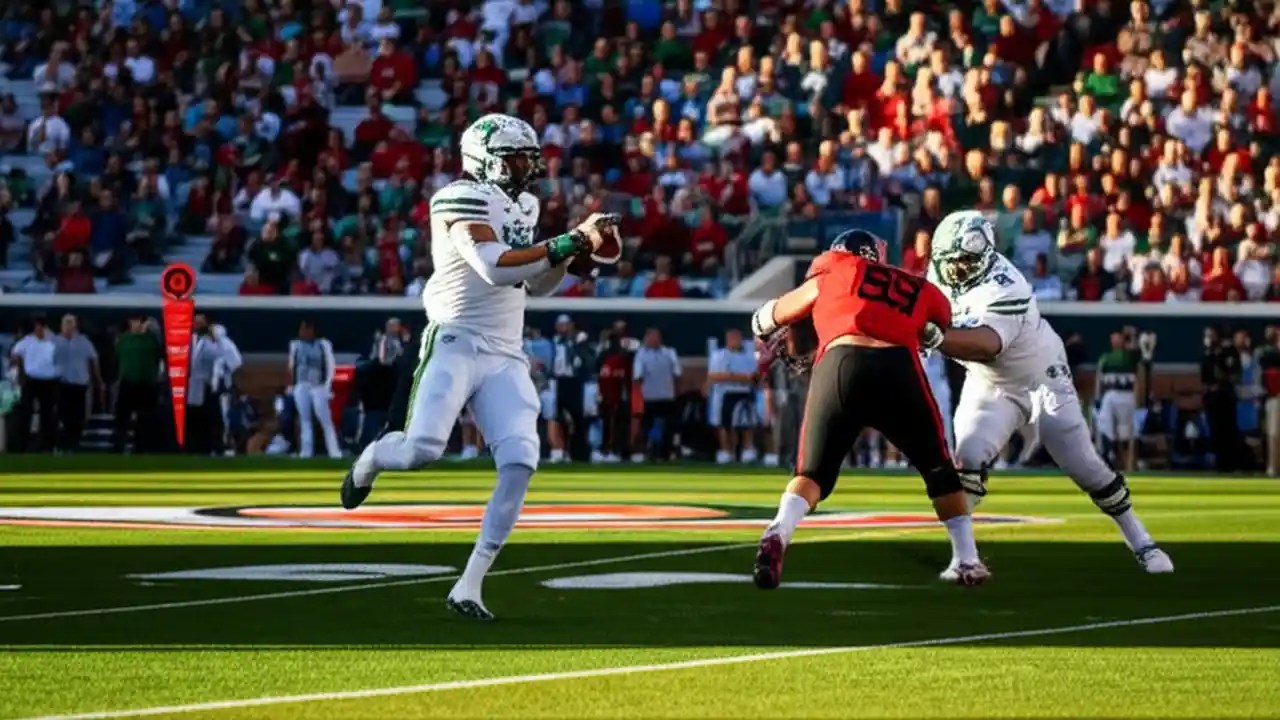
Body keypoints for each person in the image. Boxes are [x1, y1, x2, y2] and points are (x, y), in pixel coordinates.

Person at [341, 113, 618, 620]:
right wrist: (570, 241)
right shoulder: (455, 197)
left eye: (529, 157)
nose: (526, 167)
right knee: (421, 450)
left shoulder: (526, 204)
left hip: (505, 350)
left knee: (520, 460)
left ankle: (469, 584)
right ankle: (374, 457)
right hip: (454, 338)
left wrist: (573, 259)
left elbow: (534, 285)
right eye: (516, 157)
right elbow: (493, 267)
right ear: (484, 159)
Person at [925, 211, 1172, 575]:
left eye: (963, 262)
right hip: (990, 382)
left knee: (1085, 467)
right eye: (950, 261)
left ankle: (1141, 540)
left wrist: (936, 338)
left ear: (984, 257)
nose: (954, 270)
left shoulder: (1005, 285)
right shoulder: (938, 273)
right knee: (968, 457)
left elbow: (987, 343)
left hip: (1042, 381)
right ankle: (964, 558)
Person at [748, 229, 987, 588]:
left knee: (812, 473)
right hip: (897, 366)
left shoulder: (830, 272)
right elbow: (941, 320)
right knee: (938, 467)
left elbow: (765, 319)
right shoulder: (915, 284)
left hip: (840, 362)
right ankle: (966, 559)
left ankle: (778, 532)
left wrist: (775, 323)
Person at [288, 319, 342, 459]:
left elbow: (330, 366)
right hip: (302, 384)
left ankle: (334, 452)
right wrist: (293, 385)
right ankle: (306, 452)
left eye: (306, 329)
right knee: (304, 419)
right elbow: (292, 365)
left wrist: (327, 386)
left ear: (312, 330)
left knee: (325, 420)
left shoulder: (323, 344)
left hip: (318, 385)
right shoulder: (295, 345)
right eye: (301, 329)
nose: (303, 332)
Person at [707, 328, 759, 464]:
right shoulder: (719, 355)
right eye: (732, 337)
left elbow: (754, 376)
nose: (735, 340)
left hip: (745, 393)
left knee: (747, 424)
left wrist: (738, 377)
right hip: (725, 395)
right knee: (725, 425)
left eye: (737, 337)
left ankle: (747, 450)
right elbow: (714, 375)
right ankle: (726, 451)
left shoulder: (749, 356)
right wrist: (741, 377)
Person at [9, 315, 60, 452]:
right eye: (36, 327)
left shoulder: (54, 341)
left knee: (47, 415)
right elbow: (14, 354)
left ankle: (48, 446)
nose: (39, 330)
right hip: (31, 380)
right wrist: (16, 372)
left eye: (41, 327)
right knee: (25, 413)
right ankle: (21, 446)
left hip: (49, 382)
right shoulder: (27, 341)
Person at [114, 316, 163, 453]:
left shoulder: (151, 340)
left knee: (145, 420)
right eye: (133, 322)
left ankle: (141, 447)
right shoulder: (124, 339)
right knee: (122, 419)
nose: (136, 325)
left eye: (139, 322)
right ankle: (119, 446)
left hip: (146, 384)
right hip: (128, 383)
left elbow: (160, 350)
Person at [54, 314, 102, 453]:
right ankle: (61, 445)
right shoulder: (55, 341)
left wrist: (97, 380)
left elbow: (94, 359)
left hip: (79, 385)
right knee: (62, 416)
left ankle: (74, 445)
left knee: (77, 418)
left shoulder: (84, 341)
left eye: (71, 323)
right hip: (61, 384)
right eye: (66, 323)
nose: (69, 326)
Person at [632, 328, 681, 461]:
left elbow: (677, 374)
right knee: (646, 426)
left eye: (656, 337)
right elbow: (637, 377)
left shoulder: (670, 353)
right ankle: (645, 452)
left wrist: (676, 393)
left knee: (667, 427)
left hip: (667, 397)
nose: (654, 340)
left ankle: (664, 453)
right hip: (648, 397)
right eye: (651, 337)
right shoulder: (641, 354)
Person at [1094, 330, 1139, 469]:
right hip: (1110, 394)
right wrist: (1097, 396)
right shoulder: (1106, 358)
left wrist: (1132, 337)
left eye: (1118, 338)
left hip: (1127, 395)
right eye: (1113, 339)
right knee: (1104, 425)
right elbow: (1099, 378)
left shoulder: (1131, 357)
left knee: (1126, 433)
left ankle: (1127, 463)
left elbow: (1139, 375)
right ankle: (1107, 456)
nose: (1115, 341)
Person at [1200, 325, 1240, 472]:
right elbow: (1204, 379)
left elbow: (1233, 375)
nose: (1209, 339)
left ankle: (1231, 464)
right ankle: (1219, 464)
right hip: (1212, 400)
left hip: (1226, 399)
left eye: (1211, 335)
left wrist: (1221, 384)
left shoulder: (1228, 352)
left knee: (1229, 431)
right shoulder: (1206, 356)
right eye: (1207, 336)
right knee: (1214, 431)